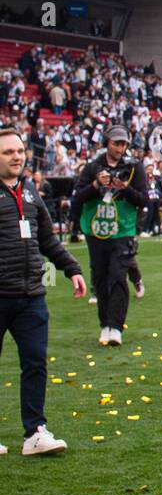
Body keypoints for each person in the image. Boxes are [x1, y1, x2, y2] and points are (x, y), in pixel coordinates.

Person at [0, 128, 86, 456]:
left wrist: (73, 269)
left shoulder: (31, 192)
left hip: (32, 296)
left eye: (20, 151)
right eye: (8, 152)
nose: (17, 156)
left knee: (35, 363)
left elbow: (48, 240)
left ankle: (35, 432)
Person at [69, 125, 145, 346]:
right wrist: (95, 185)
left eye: (123, 144)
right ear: (107, 143)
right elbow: (78, 197)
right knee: (100, 276)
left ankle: (116, 326)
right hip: (97, 230)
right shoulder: (93, 167)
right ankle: (105, 324)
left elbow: (143, 199)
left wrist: (125, 188)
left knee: (118, 276)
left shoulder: (134, 168)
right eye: (116, 143)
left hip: (123, 229)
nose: (120, 148)